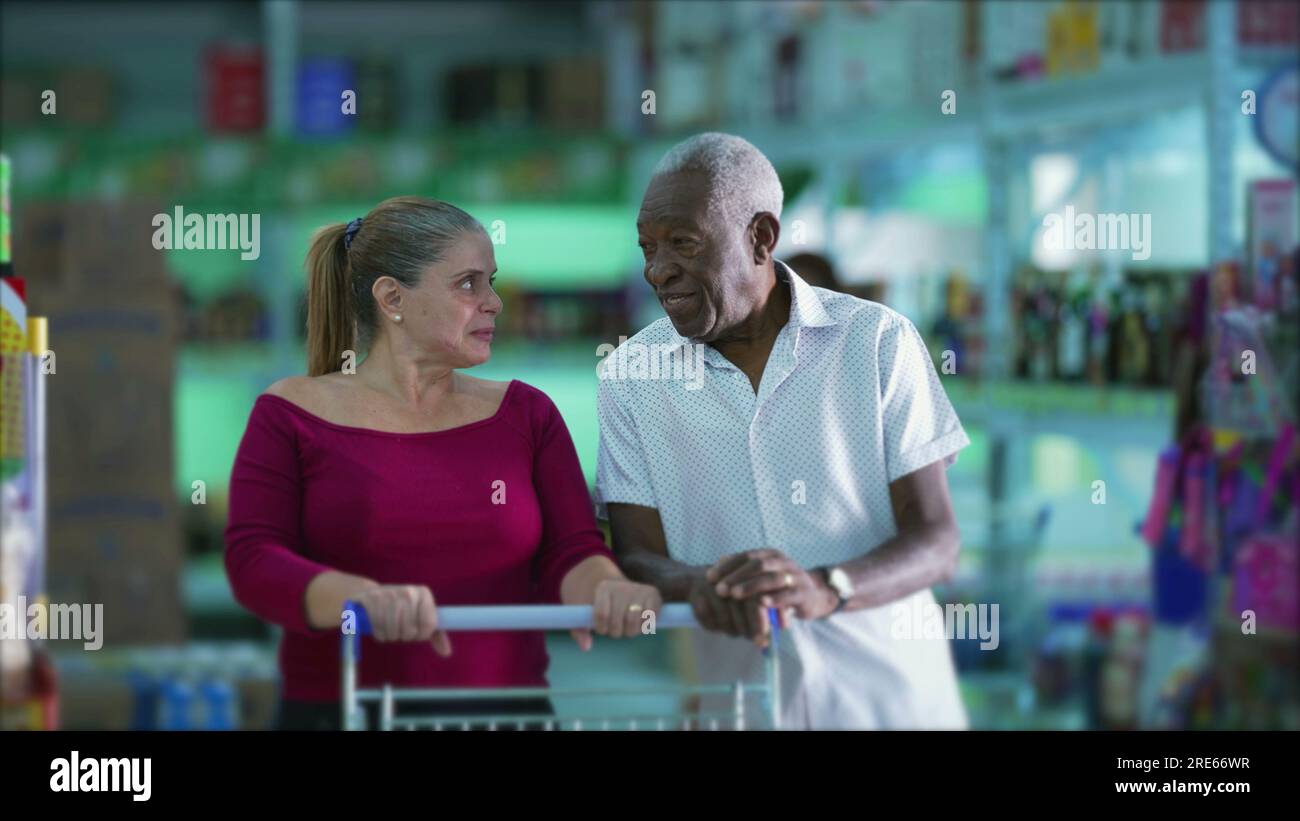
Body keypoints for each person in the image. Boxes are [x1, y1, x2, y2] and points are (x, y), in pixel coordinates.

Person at [225, 196, 660, 730]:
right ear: (392, 298)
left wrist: (606, 587)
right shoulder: (289, 414)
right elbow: (254, 560)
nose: (495, 302)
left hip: (506, 716)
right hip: (340, 713)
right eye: (469, 284)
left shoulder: (528, 414)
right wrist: (358, 600)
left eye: (491, 282)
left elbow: (571, 551)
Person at [596, 133, 970, 729]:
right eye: (648, 247)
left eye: (683, 244)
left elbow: (938, 542)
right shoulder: (630, 375)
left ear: (761, 237)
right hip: (743, 707)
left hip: (890, 704)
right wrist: (702, 585)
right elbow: (637, 555)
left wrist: (828, 588)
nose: (658, 270)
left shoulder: (877, 343)